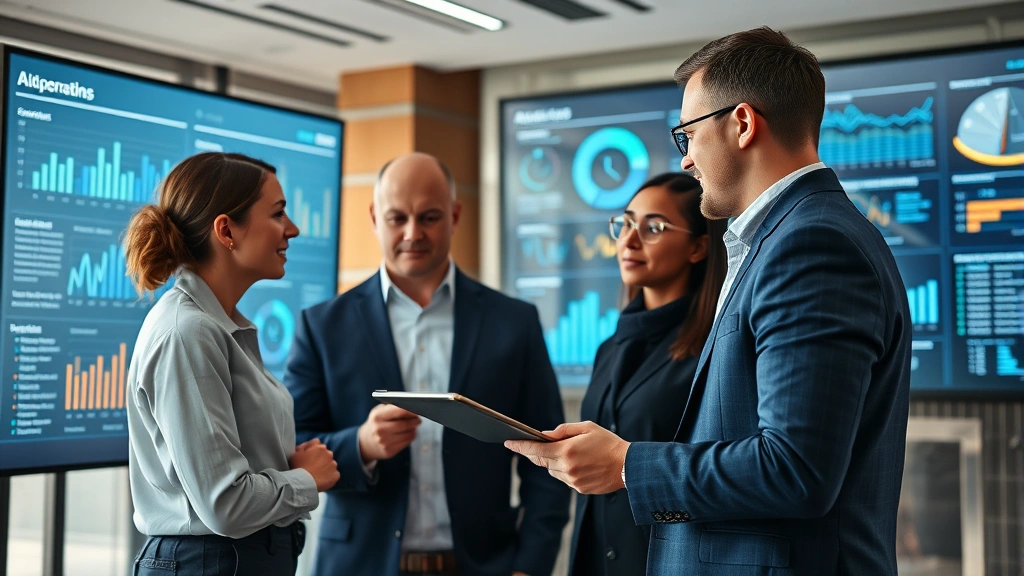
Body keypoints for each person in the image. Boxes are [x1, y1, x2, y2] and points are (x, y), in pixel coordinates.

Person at [506, 26, 912, 576]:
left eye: (688, 134)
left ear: (742, 124)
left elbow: (795, 469)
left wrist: (628, 465)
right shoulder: (786, 238)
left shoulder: (812, 245)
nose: (688, 160)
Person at [284, 152, 570, 576]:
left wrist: (530, 566)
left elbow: (551, 453)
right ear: (375, 217)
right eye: (397, 218)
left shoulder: (514, 322)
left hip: (485, 566)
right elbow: (291, 447)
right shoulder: (322, 325)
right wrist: (360, 445)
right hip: (359, 565)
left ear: (455, 216)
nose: (412, 233)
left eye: (429, 217)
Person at [124, 152, 340, 576]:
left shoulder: (220, 328)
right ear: (226, 230)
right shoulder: (187, 333)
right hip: (211, 563)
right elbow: (225, 504)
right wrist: (306, 479)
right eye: (278, 214)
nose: (292, 229)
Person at [568, 172, 726, 576]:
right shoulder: (611, 348)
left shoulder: (714, 347)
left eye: (653, 227)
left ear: (698, 247)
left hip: (669, 562)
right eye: (625, 223)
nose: (629, 239)